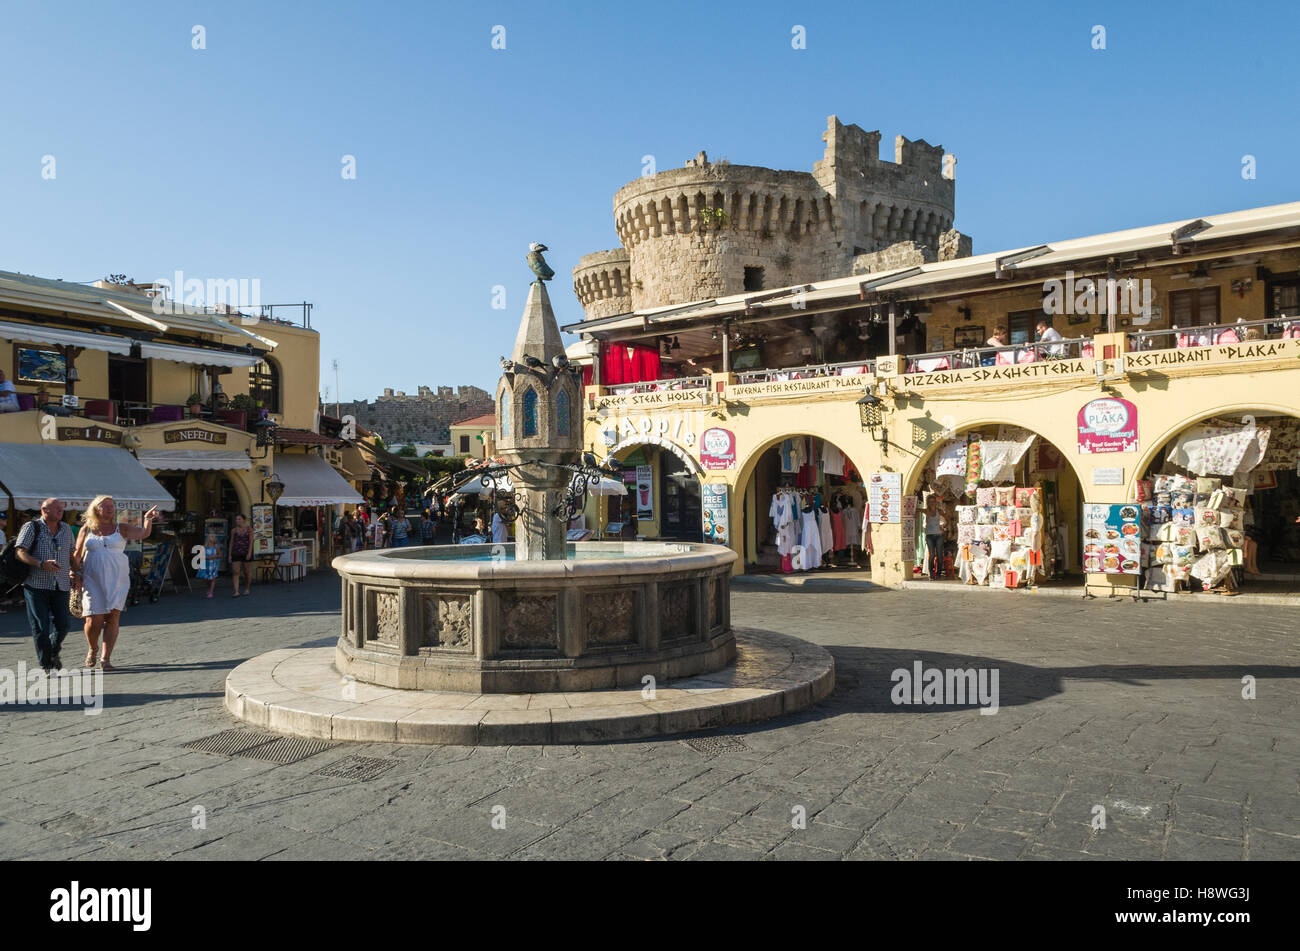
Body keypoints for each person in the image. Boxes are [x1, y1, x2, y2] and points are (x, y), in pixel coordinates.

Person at [72, 496, 160, 670]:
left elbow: (143, 533)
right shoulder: (86, 529)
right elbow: (76, 554)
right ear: (96, 509)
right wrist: (74, 573)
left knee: (113, 617)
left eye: (112, 506)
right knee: (92, 618)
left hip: (117, 578)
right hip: (91, 578)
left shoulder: (122, 528)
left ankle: (106, 658)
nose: (110, 509)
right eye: (105, 506)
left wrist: (147, 519)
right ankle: (93, 648)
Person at [14, 498, 74, 672]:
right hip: (36, 585)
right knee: (41, 627)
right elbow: (20, 552)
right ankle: (46, 664)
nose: (60, 511)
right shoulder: (32, 527)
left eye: (61, 509)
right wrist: (41, 563)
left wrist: (76, 572)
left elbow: (71, 554)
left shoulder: (66, 528)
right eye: (56, 508)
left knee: (64, 625)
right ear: (44, 510)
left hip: (61, 584)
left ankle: (53, 651)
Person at [229, 513, 254, 596]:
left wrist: (249, 553)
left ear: (243, 520)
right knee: (236, 571)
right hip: (236, 552)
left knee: (246, 572)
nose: (237, 521)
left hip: (246, 552)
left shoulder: (249, 529)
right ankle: (236, 591)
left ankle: (247, 588)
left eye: (239, 519)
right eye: (236, 519)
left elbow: (251, 541)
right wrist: (230, 555)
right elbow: (231, 542)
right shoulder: (233, 530)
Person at [923, 495, 946, 580]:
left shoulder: (939, 511)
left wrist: (944, 526)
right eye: (930, 501)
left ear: (936, 502)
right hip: (929, 535)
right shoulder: (926, 511)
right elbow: (916, 510)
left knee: (940, 555)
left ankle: (938, 573)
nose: (932, 503)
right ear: (928, 503)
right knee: (932, 555)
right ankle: (931, 574)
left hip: (939, 535)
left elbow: (948, 519)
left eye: (933, 501)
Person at [197, 530, 221, 598]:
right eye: (211, 536)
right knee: (206, 578)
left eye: (214, 537)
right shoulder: (204, 547)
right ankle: (209, 587)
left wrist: (214, 556)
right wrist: (207, 557)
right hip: (205, 564)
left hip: (213, 565)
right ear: (208, 538)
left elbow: (220, 554)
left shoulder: (216, 546)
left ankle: (211, 592)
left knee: (213, 578)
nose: (212, 538)